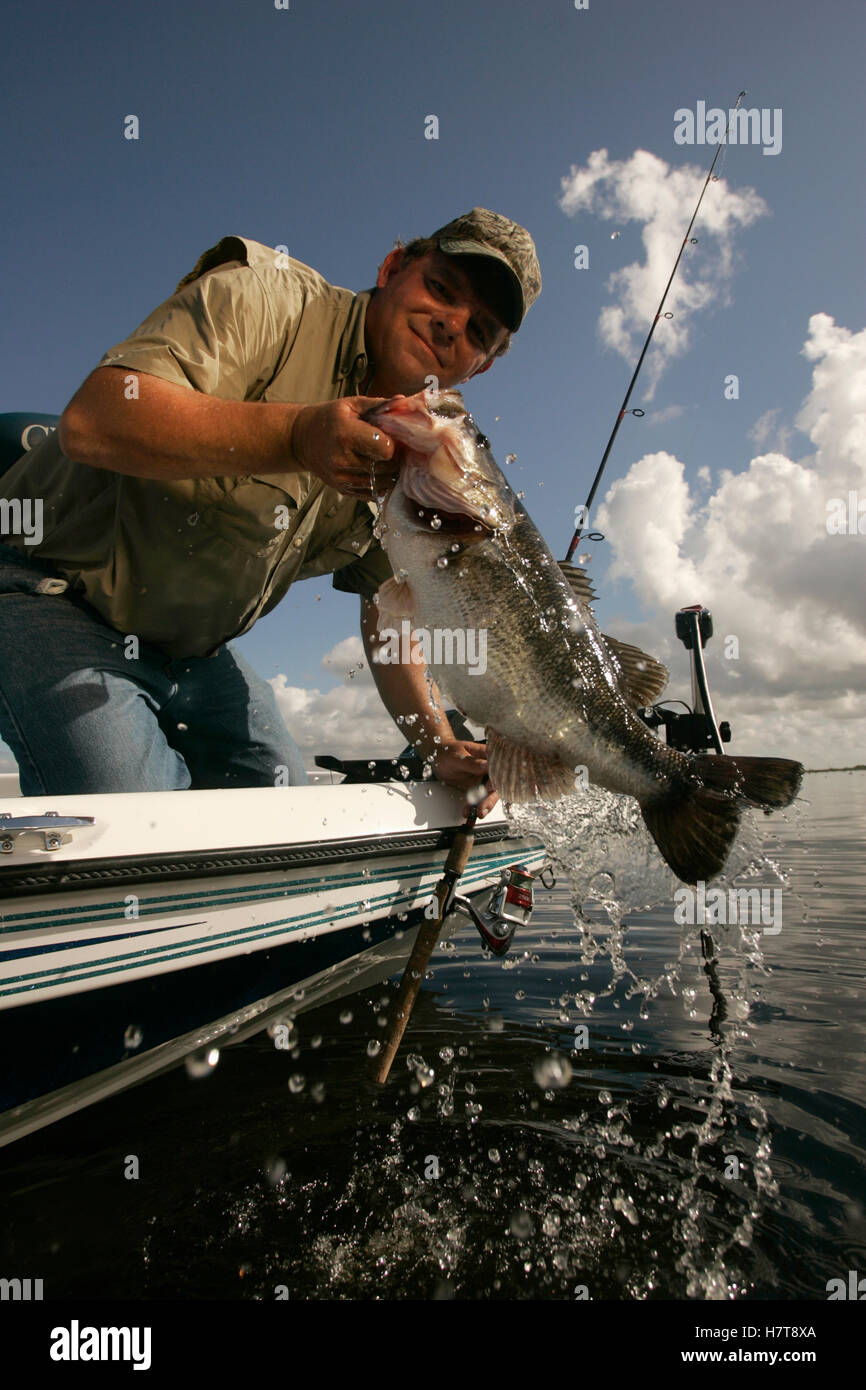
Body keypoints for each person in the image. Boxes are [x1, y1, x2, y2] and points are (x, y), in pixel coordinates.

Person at [0, 209, 541, 815]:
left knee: (279, 802)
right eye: (441, 290)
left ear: (483, 364)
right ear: (392, 268)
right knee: (140, 819)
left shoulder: (423, 456)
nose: (451, 326)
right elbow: (94, 421)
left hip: (196, 654)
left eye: (479, 331)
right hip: (46, 593)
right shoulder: (266, 297)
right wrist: (295, 435)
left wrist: (437, 742)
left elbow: (388, 610)